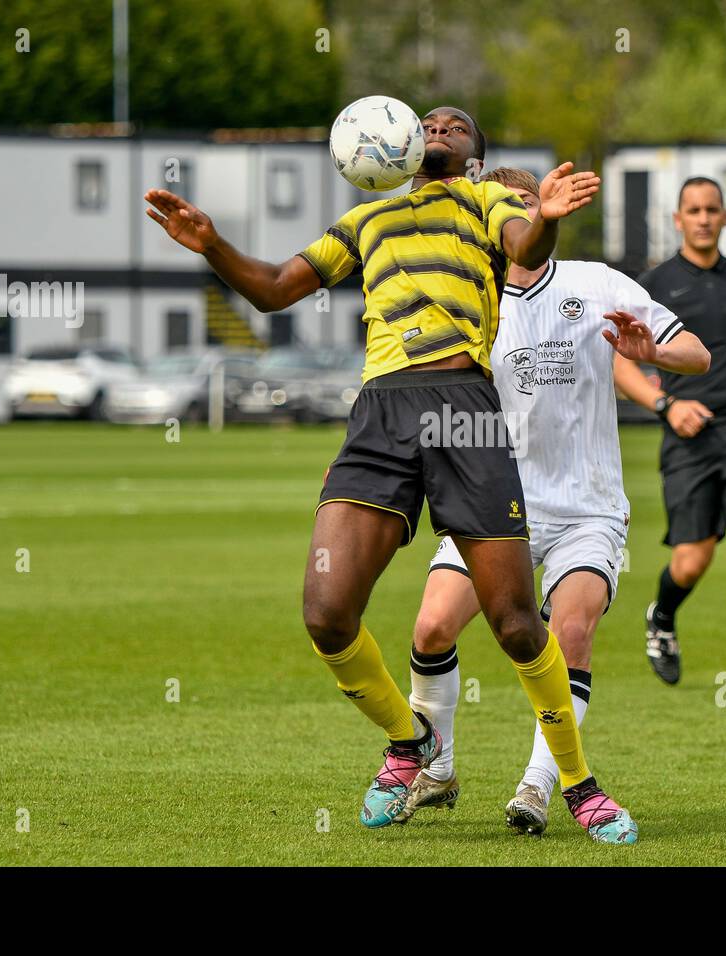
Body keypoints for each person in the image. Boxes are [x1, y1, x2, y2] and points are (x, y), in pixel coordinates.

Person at [145, 106, 636, 843]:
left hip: (463, 410)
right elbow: (276, 286)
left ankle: (577, 783)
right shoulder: (367, 221)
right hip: (379, 412)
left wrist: (549, 219)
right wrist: (212, 244)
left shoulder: (486, 201)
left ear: (474, 156)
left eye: (456, 125)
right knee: (325, 610)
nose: (439, 126)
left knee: (513, 621)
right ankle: (413, 743)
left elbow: (524, 240)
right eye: (429, 120)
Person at [400, 167, 709, 836]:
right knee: (430, 628)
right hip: (493, 507)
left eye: (525, 206)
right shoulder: (463, 301)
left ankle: (540, 786)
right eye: (503, 209)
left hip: (586, 509)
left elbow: (699, 354)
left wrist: (650, 350)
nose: (516, 220)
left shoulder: (596, 283)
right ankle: (439, 764)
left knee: (570, 630)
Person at [612, 176, 726, 694]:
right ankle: (663, 618)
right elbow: (622, 366)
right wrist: (666, 405)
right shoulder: (652, 285)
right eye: (692, 210)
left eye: (711, 209)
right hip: (689, 438)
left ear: (725, 217)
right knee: (693, 559)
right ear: (678, 220)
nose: (702, 218)